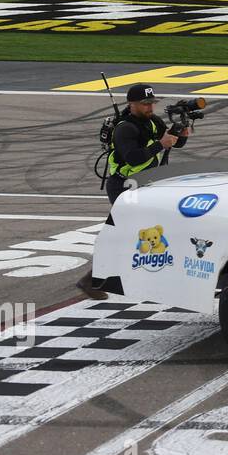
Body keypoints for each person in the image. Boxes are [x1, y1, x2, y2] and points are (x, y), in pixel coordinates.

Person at [80, 83, 192, 298]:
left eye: (152, 103)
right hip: (124, 187)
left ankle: (110, 278)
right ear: (132, 104)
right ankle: (90, 281)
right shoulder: (125, 128)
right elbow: (133, 157)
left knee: (147, 232)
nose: (150, 107)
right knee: (132, 236)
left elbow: (172, 143)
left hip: (145, 185)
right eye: (145, 104)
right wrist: (161, 144)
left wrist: (181, 133)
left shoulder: (153, 122)